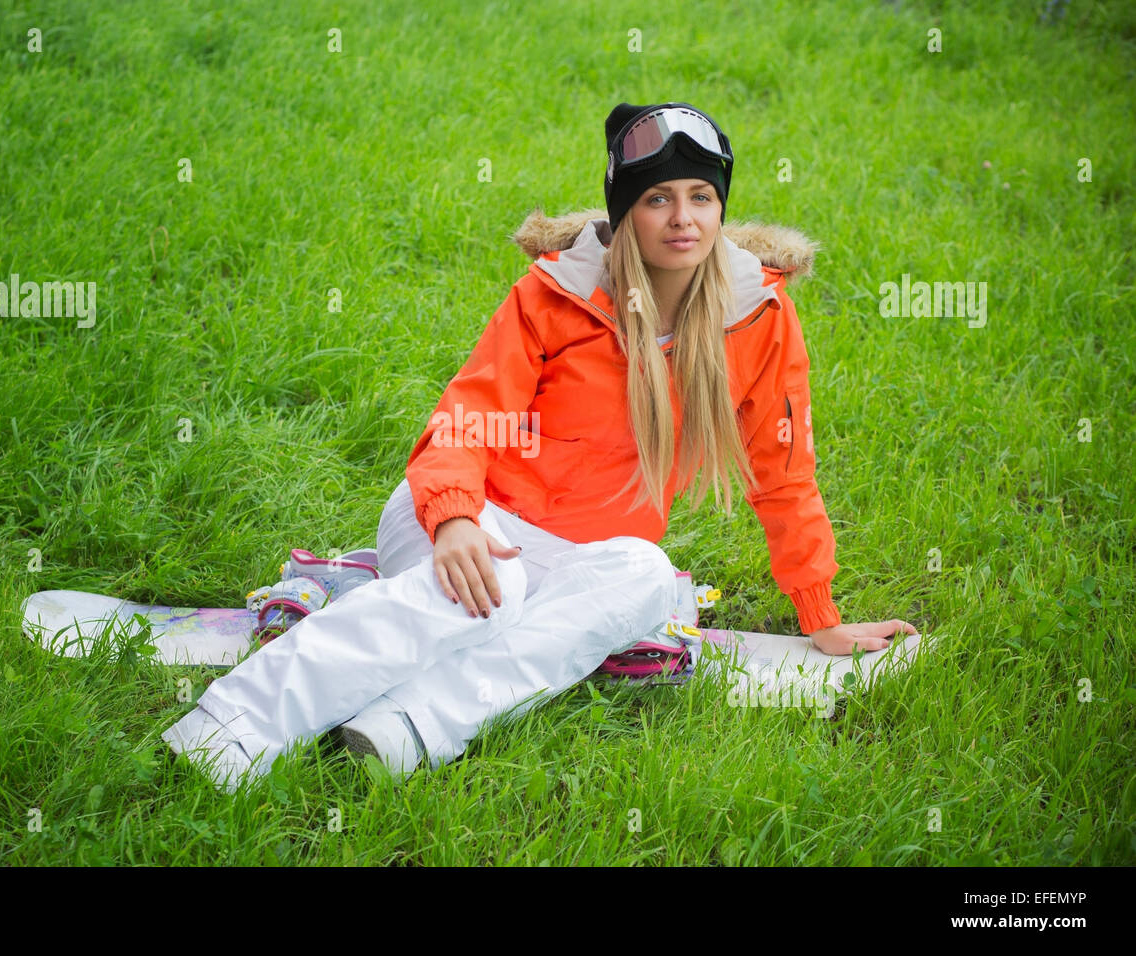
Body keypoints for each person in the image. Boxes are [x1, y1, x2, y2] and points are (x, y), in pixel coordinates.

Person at [161, 101, 919, 791]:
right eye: (657, 197)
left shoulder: (758, 317)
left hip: (589, 557)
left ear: (721, 206)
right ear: (625, 210)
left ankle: (401, 729)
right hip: (472, 514)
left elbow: (783, 471)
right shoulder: (554, 295)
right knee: (492, 600)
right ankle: (229, 730)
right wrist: (456, 517)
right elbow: (466, 417)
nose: (682, 218)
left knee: (649, 576)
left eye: (702, 197)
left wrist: (819, 612)